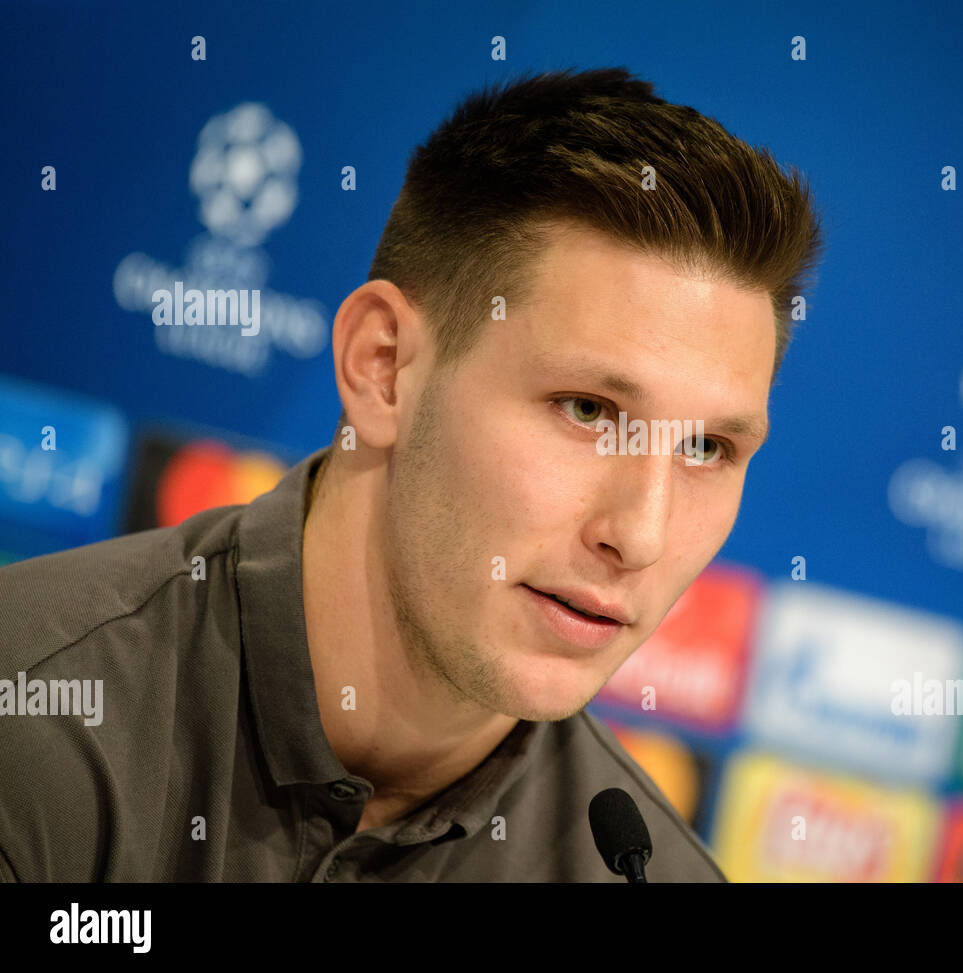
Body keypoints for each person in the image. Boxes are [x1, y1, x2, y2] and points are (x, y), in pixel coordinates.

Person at [0, 66, 823, 881]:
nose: (639, 534)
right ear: (384, 367)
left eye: (706, 448)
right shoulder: (29, 719)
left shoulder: (642, 871)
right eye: (587, 410)